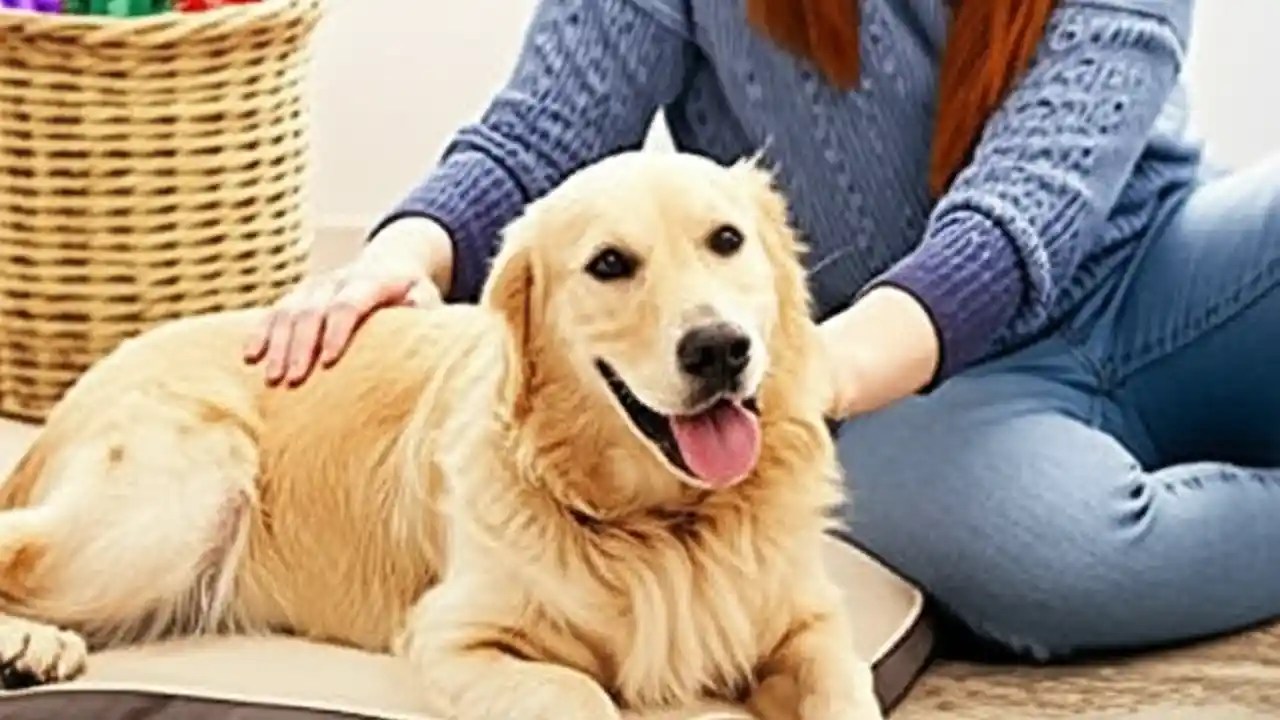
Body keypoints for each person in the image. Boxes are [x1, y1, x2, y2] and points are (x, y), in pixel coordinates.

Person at [244, 0, 1280, 662]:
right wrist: (400, 253)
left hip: (1160, 275)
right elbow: (540, 130)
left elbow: (1022, 208)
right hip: (922, 390)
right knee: (1041, 561)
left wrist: (807, 373)